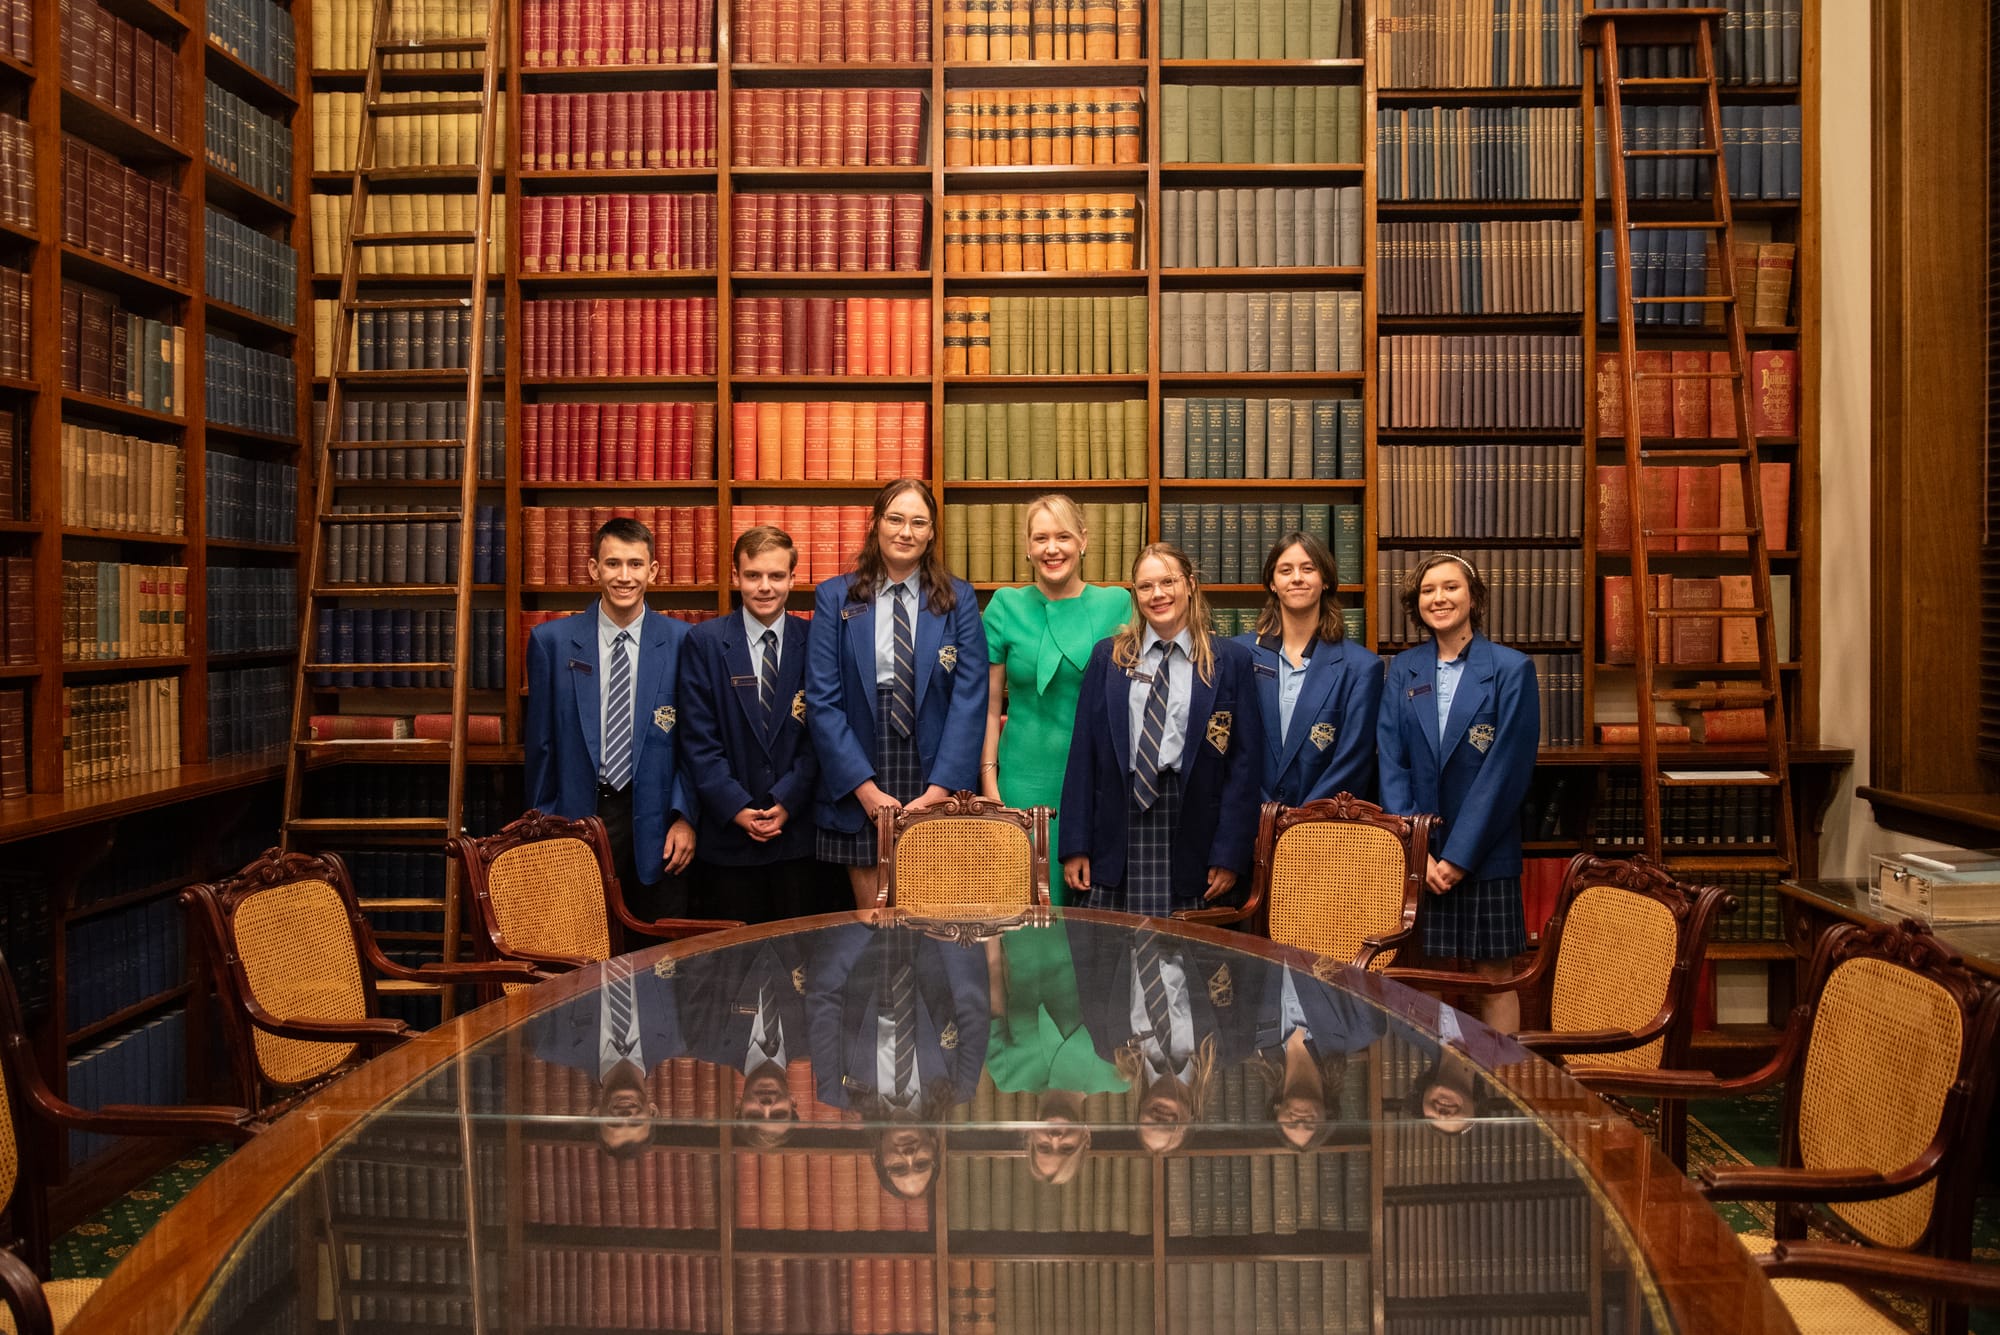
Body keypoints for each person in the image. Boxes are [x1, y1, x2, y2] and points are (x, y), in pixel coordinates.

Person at [1377, 553, 1540, 1034]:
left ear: (1473, 597)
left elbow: (1506, 771)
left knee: (1494, 975)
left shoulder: (1512, 670)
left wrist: (1459, 856)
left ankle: (1499, 1087)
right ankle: (1434, 1087)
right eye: (1428, 591)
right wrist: (1418, 848)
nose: (1439, 598)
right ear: (1416, 603)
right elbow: (1392, 763)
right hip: (1419, 855)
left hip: (1485, 854)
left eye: (1450, 587)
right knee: (1422, 974)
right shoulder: (1403, 670)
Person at [806, 479, 989, 906]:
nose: (906, 532)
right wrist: (865, 791)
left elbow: (970, 698)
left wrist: (940, 790)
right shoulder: (835, 597)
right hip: (860, 768)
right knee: (872, 925)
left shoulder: (958, 598)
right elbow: (823, 701)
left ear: (931, 534)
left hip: (934, 768)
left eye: (918, 522)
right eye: (895, 519)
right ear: (876, 524)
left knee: (932, 923)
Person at [1058, 543, 1262, 916]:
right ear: (1135, 594)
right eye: (1146, 586)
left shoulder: (1230, 661)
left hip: (1194, 829)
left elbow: (1244, 769)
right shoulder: (1109, 657)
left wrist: (1230, 852)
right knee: (1110, 960)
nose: (1158, 595)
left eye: (1168, 582)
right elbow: (1082, 757)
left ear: (1190, 585)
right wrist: (1075, 845)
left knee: (1190, 959)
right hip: (1117, 826)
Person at [524, 516, 697, 923]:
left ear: (653, 571)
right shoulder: (551, 642)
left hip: (659, 827)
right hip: (577, 820)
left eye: (635, 564)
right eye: (613, 563)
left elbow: (694, 744)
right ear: (593, 569)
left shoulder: (683, 641)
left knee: (657, 964)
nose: (624, 576)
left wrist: (685, 817)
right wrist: (543, 831)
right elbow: (541, 750)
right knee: (582, 956)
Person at [679, 525, 835, 923]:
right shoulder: (705, 642)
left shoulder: (815, 638)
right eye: (753, 576)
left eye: (776, 576)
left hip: (797, 835)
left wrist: (785, 802)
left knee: (799, 965)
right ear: (735, 577)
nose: (765, 587)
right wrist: (738, 807)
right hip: (728, 836)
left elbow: (823, 733)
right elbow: (698, 740)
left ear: (793, 579)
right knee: (733, 970)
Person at [979, 495, 1131, 900]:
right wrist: (990, 784)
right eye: (1041, 538)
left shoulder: (1116, 602)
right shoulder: (1004, 606)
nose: (1052, 549)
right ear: (1027, 546)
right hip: (1019, 781)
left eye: (1063, 536)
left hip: (1094, 782)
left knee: (1086, 919)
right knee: (1022, 915)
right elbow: (991, 706)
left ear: (1083, 540)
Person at [1237, 530, 1384, 805]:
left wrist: (1299, 824)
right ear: (1272, 582)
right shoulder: (1239, 656)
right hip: (1247, 826)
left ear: (1325, 580)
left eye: (1308, 569)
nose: (1297, 578)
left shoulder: (1362, 668)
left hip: (1322, 832)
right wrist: (1262, 816)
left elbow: (1352, 762)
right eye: (1285, 570)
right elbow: (1230, 750)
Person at [529, 951, 682, 1155]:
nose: (625, 1115)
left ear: (595, 1114)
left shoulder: (551, 1043)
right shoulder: (679, 1035)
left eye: (614, 1124)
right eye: (635, 1123)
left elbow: (534, 972)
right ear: (653, 1112)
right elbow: (677, 956)